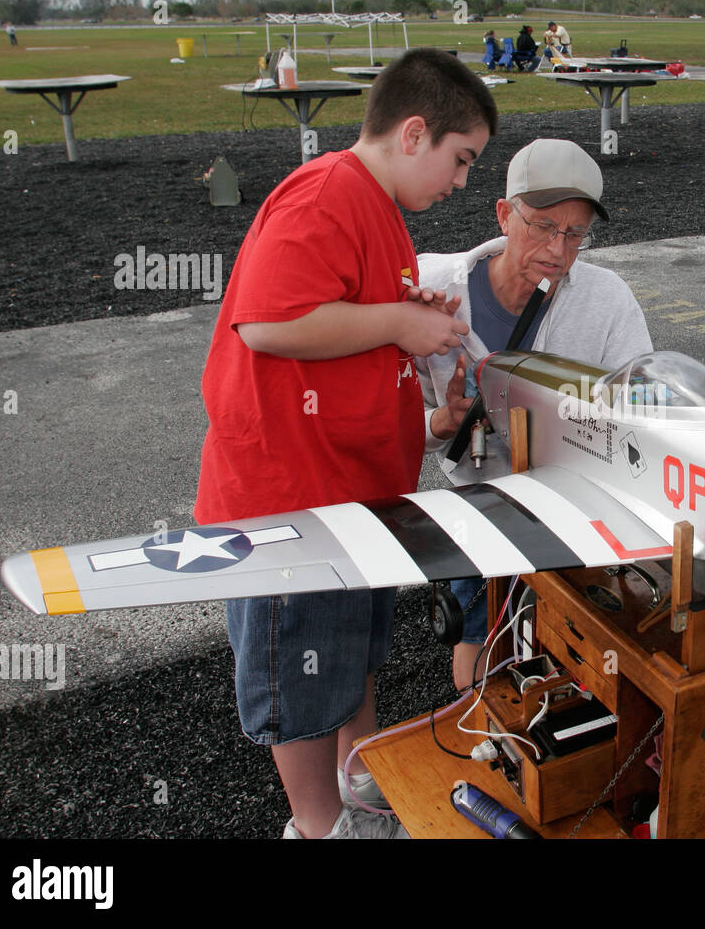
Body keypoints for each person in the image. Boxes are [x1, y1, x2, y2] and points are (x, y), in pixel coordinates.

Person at [194, 49, 497, 839]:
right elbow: (265, 321)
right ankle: (321, 828)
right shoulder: (328, 193)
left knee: (345, 661)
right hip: (293, 502)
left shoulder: (378, 211)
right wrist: (400, 322)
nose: (461, 181)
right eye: (460, 160)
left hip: (350, 497)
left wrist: (398, 316)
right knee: (300, 682)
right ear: (414, 131)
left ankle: (358, 798)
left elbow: (331, 320)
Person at [416, 139, 653, 690]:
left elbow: (640, 404)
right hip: (482, 501)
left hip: (573, 503)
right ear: (504, 213)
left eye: (574, 234)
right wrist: (441, 424)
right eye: (543, 226)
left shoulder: (607, 299)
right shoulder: (431, 288)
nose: (557, 248)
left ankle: (559, 739)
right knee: (478, 634)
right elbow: (396, 421)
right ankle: (484, 732)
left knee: (581, 635)